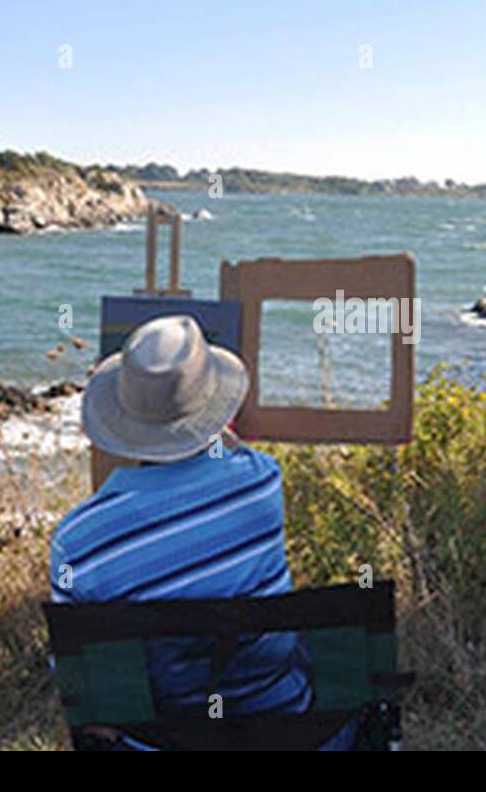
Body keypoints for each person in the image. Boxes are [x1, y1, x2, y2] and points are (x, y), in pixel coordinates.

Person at [49, 315, 352, 749]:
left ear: (120, 419)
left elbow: (80, 681)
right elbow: (227, 449)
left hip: (160, 740)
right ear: (213, 413)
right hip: (284, 728)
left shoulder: (79, 542)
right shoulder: (261, 481)